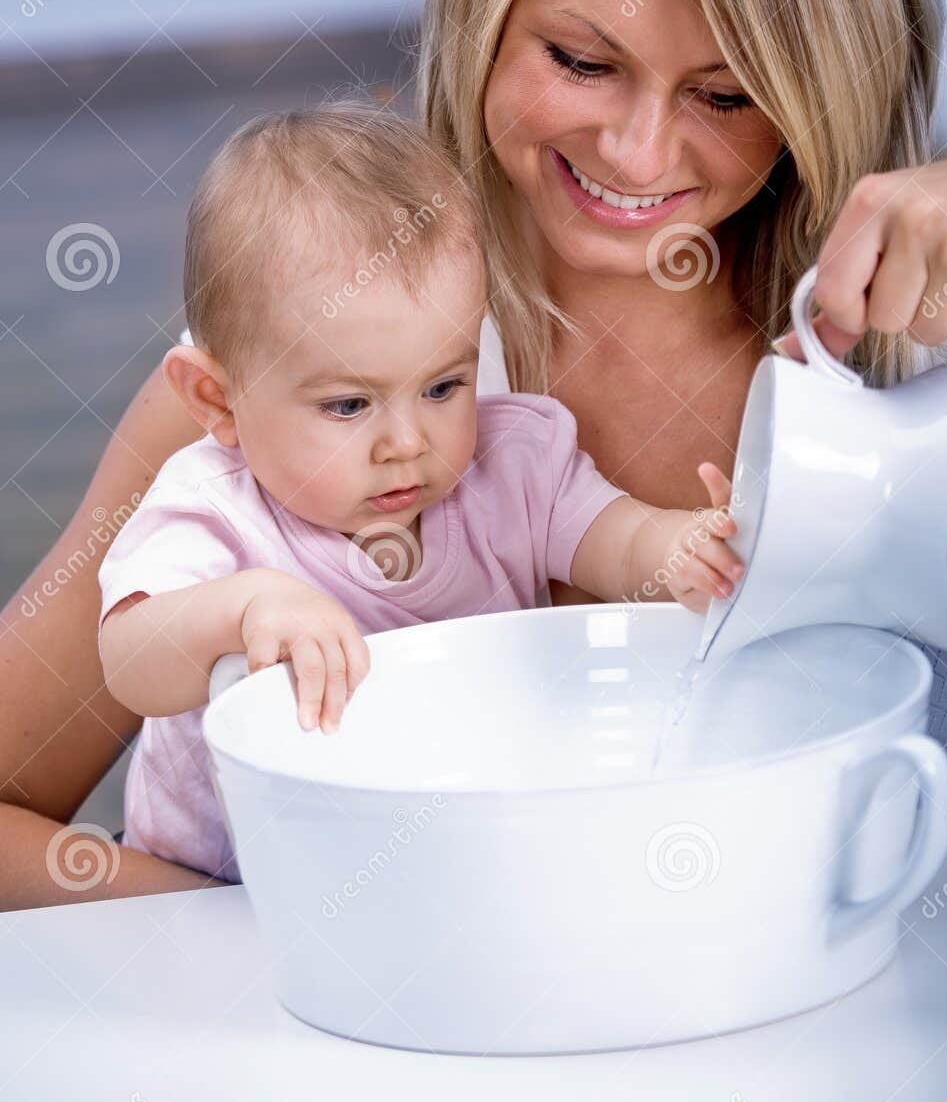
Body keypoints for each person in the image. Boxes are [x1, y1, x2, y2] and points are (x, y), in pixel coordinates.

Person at [4, 0, 947, 906]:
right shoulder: (279, 388)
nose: (637, 147)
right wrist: (283, 936)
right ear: (481, 11)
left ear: (828, 80)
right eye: (580, 61)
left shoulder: (936, 334)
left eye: (725, 93)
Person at [96, 102, 741, 882]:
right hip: (227, 885)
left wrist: (681, 549)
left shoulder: (511, 465)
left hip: (450, 861)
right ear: (217, 401)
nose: (408, 442)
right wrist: (245, 607)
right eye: (348, 405)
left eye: (443, 385)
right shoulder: (213, 509)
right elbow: (129, 662)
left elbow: (617, 541)